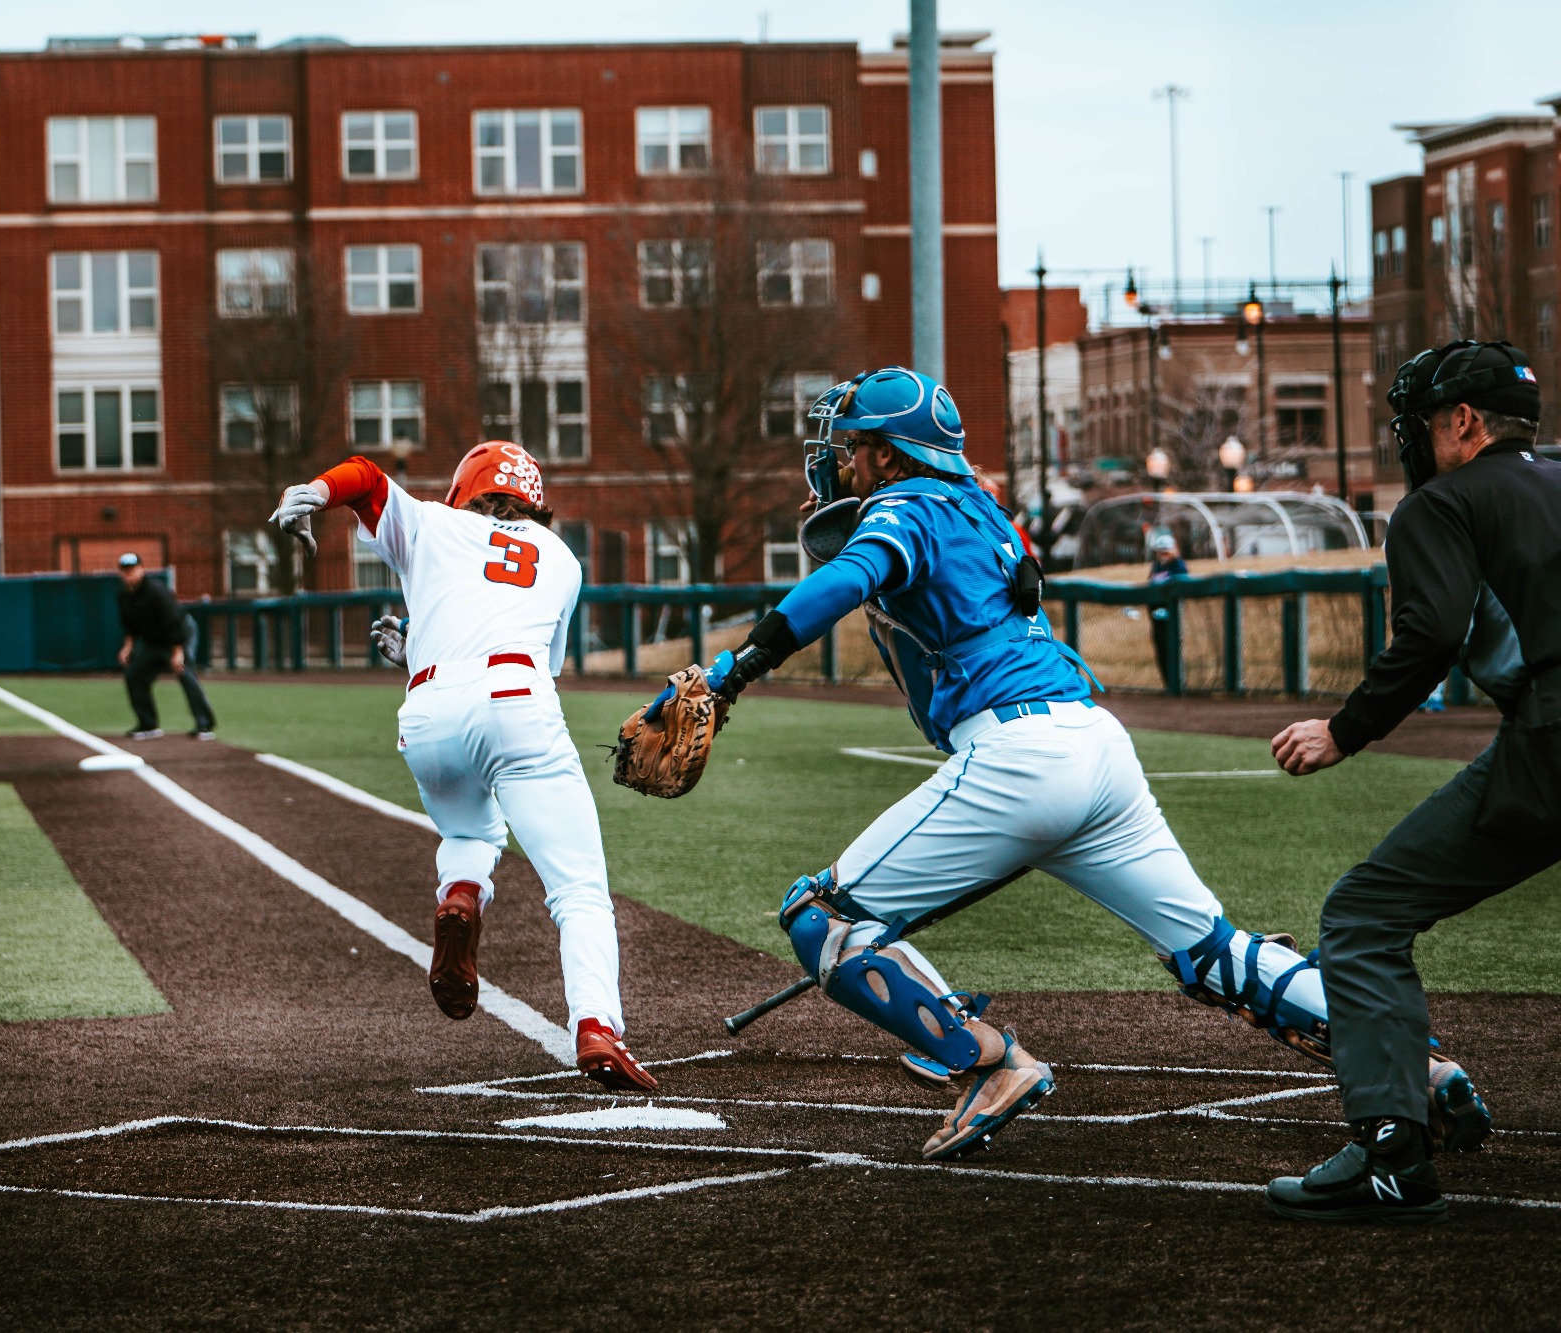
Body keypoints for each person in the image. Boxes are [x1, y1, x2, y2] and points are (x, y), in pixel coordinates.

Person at [690, 365, 1488, 1162]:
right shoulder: (980, 507)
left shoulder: (906, 505)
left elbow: (846, 578)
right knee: (1213, 951)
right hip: (1095, 745)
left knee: (820, 917)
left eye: (856, 448)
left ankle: (989, 1060)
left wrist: (734, 670)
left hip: (1017, 755)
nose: (842, 463)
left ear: (892, 458)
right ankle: (1414, 1063)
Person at [1266, 340, 1559, 1224]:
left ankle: (1392, 1154)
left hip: (1550, 743)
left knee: (1364, 914)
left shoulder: (1443, 501)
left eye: (1424, 423)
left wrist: (1343, 731)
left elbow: (1428, 633)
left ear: (1462, 422)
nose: (1415, 441)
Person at [268, 442, 658, 1092]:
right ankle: (596, 1025)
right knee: (578, 888)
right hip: (517, 697)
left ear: (464, 489)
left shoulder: (431, 521)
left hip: (426, 707)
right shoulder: (561, 557)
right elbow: (528, 652)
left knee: (469, 834)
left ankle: (462, 892)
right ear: (535, 502)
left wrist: (313, 492)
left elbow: (364, 478)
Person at [115, 552, 216, 741]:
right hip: (153, 642)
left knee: (185, 673)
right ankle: (148, 724)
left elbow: (173, 620)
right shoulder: (124, 595)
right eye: (125, 570)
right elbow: (129, 625)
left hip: (179, 635)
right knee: (134, 674)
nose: (129, 574)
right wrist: (128, 647)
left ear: (142, 569)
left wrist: (178, 652)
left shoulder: (155, 591)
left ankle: (204, 724)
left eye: (133, 569)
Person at [1146, 531, 1189, 690]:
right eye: (1160, 551)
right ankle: (1168, 686)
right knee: (1160, 650)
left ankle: (1178, 685)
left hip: (1172, 617)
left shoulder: (1178, 565)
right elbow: (1149, 585)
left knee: (1172, 650)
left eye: (1166, 551)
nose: (1163, 554)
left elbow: (1183, 586)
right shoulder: (1156, 566)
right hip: (1156, 616)